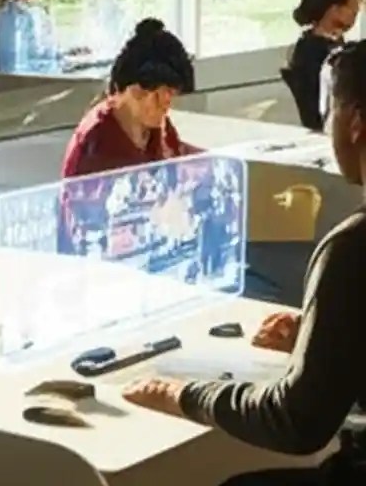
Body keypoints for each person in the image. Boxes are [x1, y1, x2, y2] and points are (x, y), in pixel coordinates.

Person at [122, 40, 366, 485]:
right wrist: (324, 341)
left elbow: (296, 421)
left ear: (355, 124)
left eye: (329, 111)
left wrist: (182, 395)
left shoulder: (351, 248)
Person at [61, 18, 199, 178]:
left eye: (170, 95)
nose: (165, 105)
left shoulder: (155, 124)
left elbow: (178, 159)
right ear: (132, 90)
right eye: (157, 96)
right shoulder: (97, 147)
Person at [285, 0, 361, 131]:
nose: (356, 14)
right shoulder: (311, 52)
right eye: (352, 10)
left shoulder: (332, 45)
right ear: (334, 9)